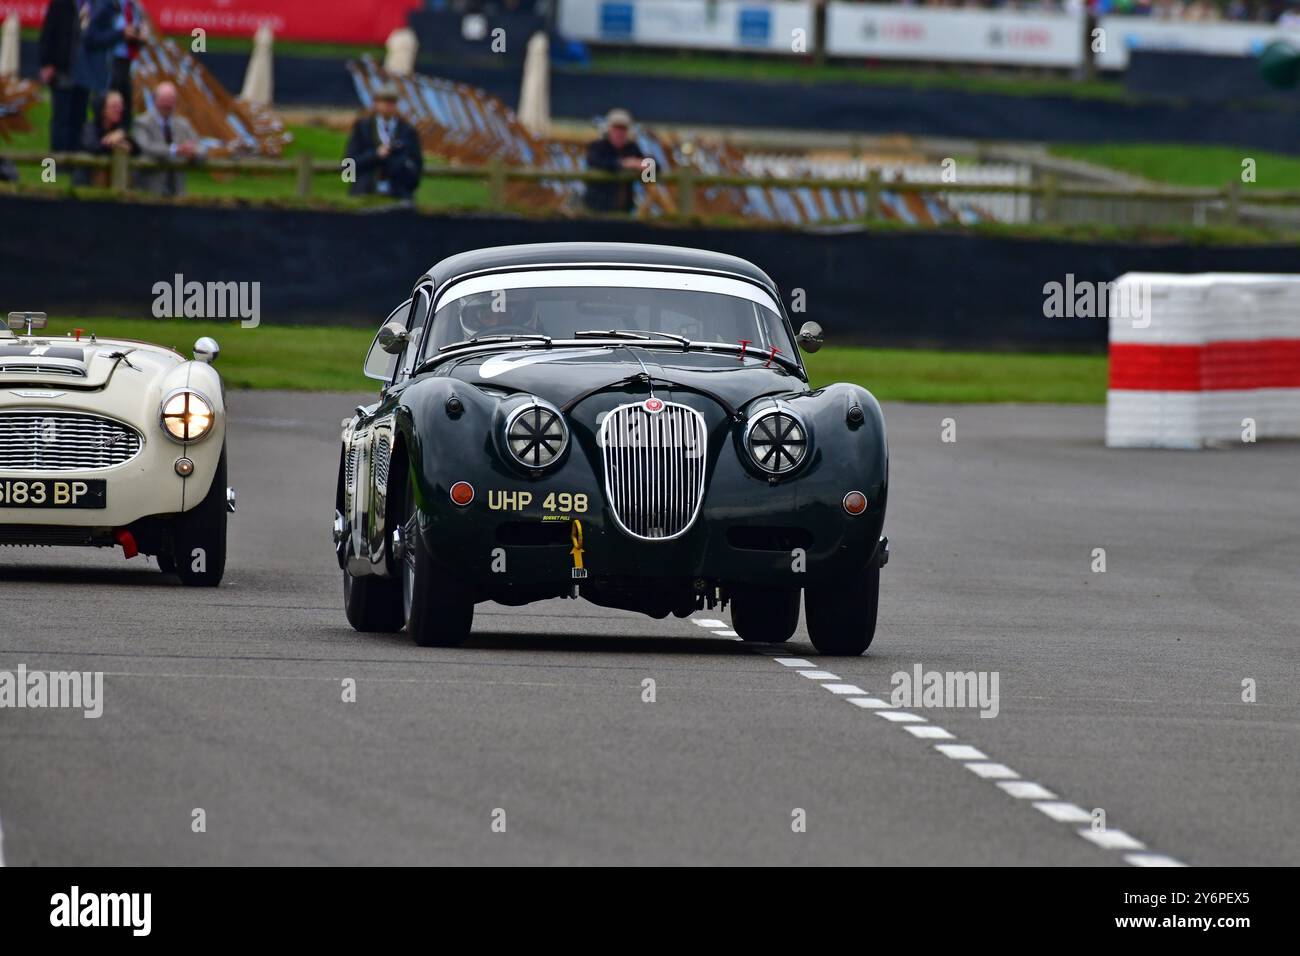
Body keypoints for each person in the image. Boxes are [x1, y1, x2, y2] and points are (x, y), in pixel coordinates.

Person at [38, 0, 112, 152]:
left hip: (85, 71)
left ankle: (76, 159)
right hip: (63, 69)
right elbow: (49, 30)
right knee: (61, 117)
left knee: (79, 117)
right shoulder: (61, 3)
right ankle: (59, 158)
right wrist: (47, 62)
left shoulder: (95, 5)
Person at [344, 84, 423, 201]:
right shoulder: (362, 128)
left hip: (399, 195)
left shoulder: (408, 131)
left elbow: (417, 165)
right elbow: (347, 166)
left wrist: (408, 184)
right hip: (365, 194)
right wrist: (375, 155)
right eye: (384, 102)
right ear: (376, 104)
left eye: (392, 102)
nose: (388, 106)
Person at [132, 82, 204, 196]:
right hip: (149, 190)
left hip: (177, 191)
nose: (167, 105)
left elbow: (201, 147)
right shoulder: (142, 122)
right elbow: (145, 147)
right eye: (164, 100)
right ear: (154, 100)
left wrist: (193, 152)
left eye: (171, 100)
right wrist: (175, 150)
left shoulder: (183, 124)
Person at [584, 108, 644, 214]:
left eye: (623, 129)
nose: (619, 132)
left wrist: (643, 165)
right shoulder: (597, 146)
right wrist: (623, 163)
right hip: (597, 209)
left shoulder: (632, 148)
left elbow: (653, 169)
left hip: (625, 211)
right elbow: (596, 162)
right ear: (608, 129)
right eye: (616, 128)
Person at [76, 88, 137, 186]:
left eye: (121, 106)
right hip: (88, 183)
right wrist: (112, 144)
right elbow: (92, 146)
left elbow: (137, 149)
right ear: (103, 109)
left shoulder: (119, 131)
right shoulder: (90, 127)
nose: (119, 109)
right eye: (114, 107)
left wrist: (124, 139)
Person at [106, 0, 146, 127]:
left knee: (127, 97)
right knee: (113, 96)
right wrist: (122, 32)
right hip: (113, 57)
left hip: (129, 58)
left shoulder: (135, 6)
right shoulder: (111, 5)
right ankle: (110, 130)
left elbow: (141, 27)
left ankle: (124, 131)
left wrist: (141, 35)